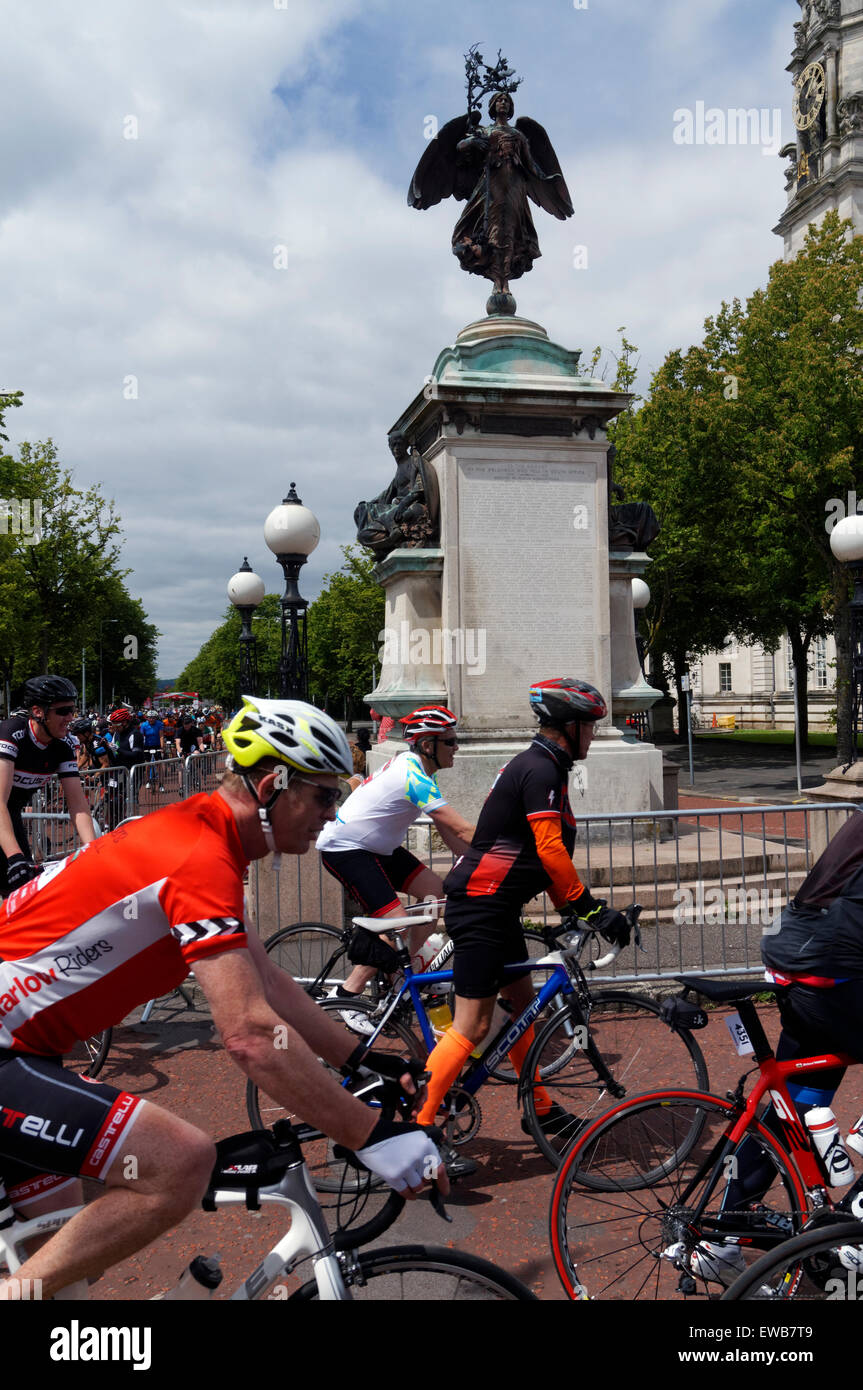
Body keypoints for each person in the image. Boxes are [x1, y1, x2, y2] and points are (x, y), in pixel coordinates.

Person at [0, 696, 445, 1300]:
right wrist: (368, 1134)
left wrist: (363, 1060)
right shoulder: (198, 856)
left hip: (29, 1051)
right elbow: (251, 1036)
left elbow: (268, 982)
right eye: (322, 796)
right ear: (271, 785)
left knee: (65, 1274)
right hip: (10, 1053)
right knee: (179, 1162)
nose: (331, 813)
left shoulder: (203, 835)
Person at [415, 678, 630, 1146]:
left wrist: (566, 910)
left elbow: (536, 854)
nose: (593, 736)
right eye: (590, 727)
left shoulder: (541, 764)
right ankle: (417, 1129)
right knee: (472, 1024)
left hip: (497, 906)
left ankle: (541, 1110)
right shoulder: (541, 770)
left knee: (522, 1011)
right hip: (482, 907)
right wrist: (589, 910)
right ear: (568, 728)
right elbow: (550, 850)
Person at [317, 706, 474, 1032]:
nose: (457, 747)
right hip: (345, 848)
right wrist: (500, 861)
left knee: (435, 893)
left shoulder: (417, 768)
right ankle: (348, 990)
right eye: (451, 741)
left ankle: (400, 975)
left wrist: (473, 864)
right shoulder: (413, 776)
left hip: (375, 847)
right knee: (398, 925)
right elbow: (459, 829)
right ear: (428, 746)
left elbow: (449, 833)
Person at [0, 676, 97, 898]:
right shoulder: (11, 734)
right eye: (63, 711)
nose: (70, 718)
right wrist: (14, 858)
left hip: (9, 816)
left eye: (73, 710)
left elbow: (78, 805)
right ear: (38, 711)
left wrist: (94, 850)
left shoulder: (64, 745)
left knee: (21, 891)